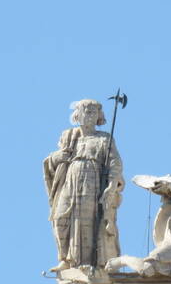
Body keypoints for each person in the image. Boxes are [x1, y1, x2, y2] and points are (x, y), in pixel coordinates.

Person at [44, 98, 124, 271]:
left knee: (86, 220)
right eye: (86, 112)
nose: (90, 116)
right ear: (78, 115)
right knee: (60, 217)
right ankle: (65, 258)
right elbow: (51, 161)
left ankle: (85, 263)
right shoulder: (69, 136)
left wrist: (111, 185)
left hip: (92, 179)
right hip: (70, 179)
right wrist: (56, 158)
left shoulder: (104, 138)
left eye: (94, 112)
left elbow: (115, 163)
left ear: (99, 117)